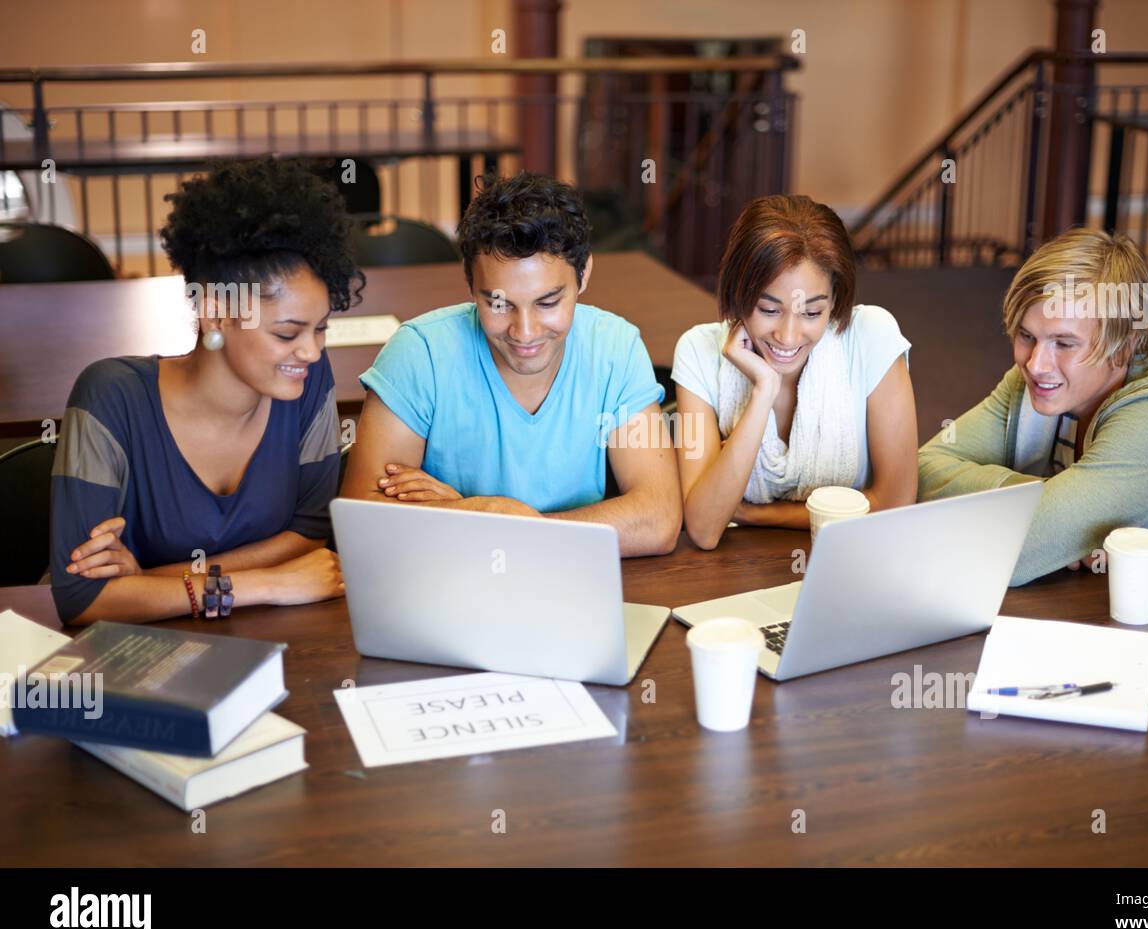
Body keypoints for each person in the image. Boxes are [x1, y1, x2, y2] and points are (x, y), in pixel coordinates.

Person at [917, 227, 1148, 651]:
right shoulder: (1044, 378)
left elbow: (1015, 553)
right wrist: (1045, 501)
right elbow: (924, 467)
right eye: (1026, 336)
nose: (1036, 363)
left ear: (1125, 346)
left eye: (1064, 343)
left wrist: (1054, 523)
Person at [50, 157, 361, 626]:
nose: (311, 352)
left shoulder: (306, 381)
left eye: (320, 330)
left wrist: (153, 582)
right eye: (287, 333)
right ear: (215, 313)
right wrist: (267, 583)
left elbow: (311, 534)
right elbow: (81, 598)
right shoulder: (110, 398)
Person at [340, 171, 682, 556]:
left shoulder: (615, 347)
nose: (524, 332)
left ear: (583, 274)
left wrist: (480, 517)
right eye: (498, 304)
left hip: (570, 587)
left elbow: (658, 520)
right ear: (470, 284)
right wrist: (491, 515)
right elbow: (364, 526)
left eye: (548, 303)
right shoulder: (419, 354)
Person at [670, 194, 917, 550]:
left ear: (835, 301)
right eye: (769, 309)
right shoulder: (698, 352)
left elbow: (894, 504)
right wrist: (763, 391)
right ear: (739, 294)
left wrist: (754, 514)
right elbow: (706, 528)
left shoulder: (870, 337)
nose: (787, 336)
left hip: (848, 566)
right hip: (735, 578)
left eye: (812, 313)